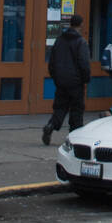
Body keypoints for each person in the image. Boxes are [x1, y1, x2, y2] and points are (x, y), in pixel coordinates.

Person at [42, 14, 90, 144]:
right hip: (75, 81)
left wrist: (56, 76)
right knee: (77, 109)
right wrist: (86, 78)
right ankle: (75, 138)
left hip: (61, 80)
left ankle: (51, 125)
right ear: (81, 25)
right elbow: (84, 63)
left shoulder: (59, 40)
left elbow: (52, 61)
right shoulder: (81, 42)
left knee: (60, 107)